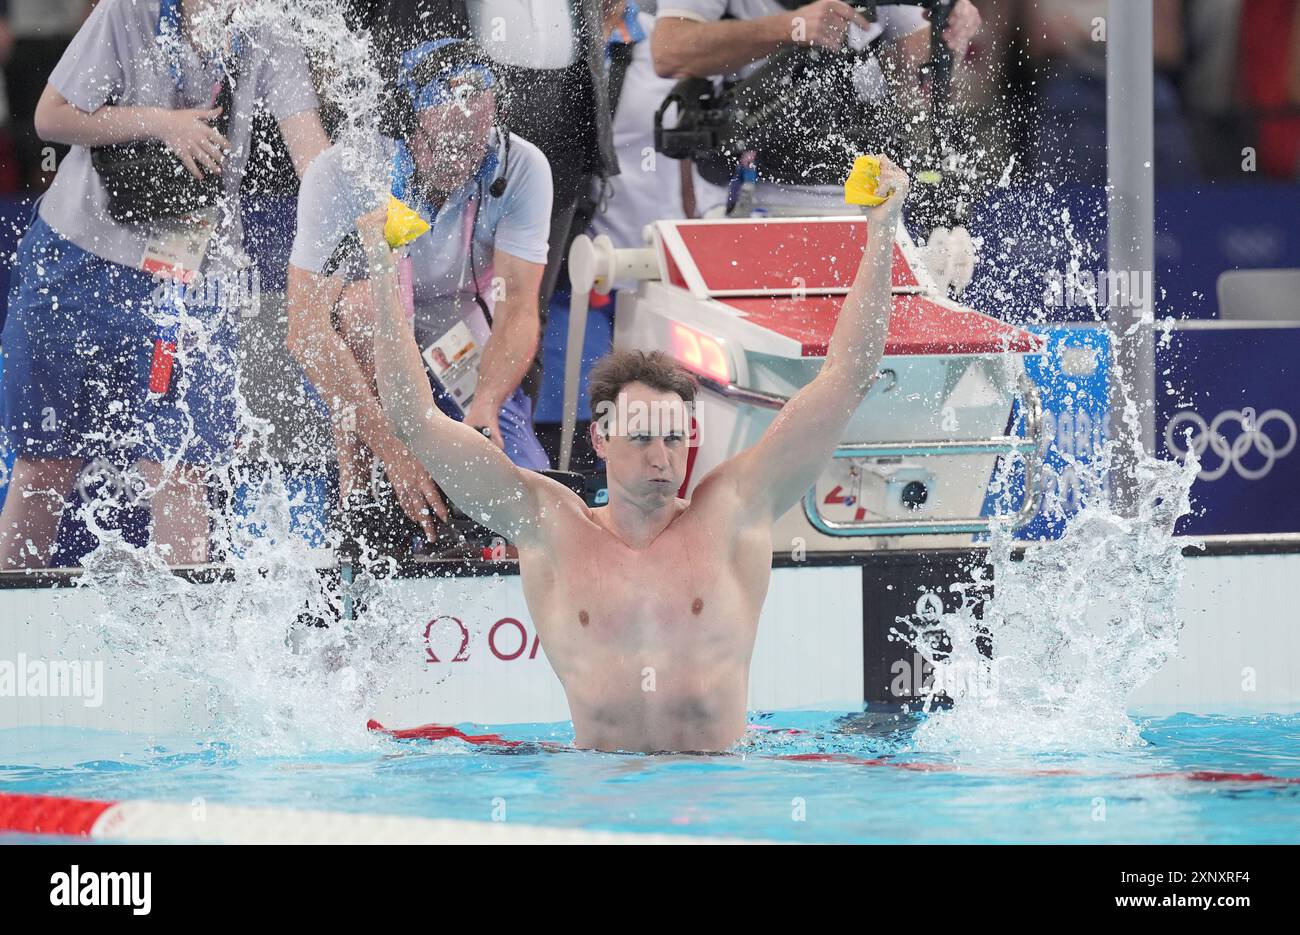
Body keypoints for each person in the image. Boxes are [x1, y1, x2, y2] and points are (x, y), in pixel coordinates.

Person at [369, 149, 907, 753]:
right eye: (643, 435)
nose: (663, 456)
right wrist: (385, 269)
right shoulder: (548, 524)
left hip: (720, 791)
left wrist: (882, 233)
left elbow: (847, 377)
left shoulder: (734, 511)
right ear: (599, 438)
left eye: (675, 436)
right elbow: (413, 420)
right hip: (597, 798)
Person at [0, 0, 328, 569]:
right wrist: (163, 122)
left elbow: (311, 153)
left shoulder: (270, 27)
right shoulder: (130, 9)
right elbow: (50, 118)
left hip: (190, 273)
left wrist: (358, 211)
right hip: (77, 260)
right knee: (44, 468)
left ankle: (186, 641)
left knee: (181, 471)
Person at [286, 37, 553, 545]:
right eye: (444, 142)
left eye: (473, 146)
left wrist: (486, 408)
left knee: (519, 473)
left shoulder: (519, 166)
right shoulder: (346, 172)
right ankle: (358, 509)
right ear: (409, 124)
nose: (458, 161)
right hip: (372, 326)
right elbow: (306, 332)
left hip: (456, 320)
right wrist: (392, 448)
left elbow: (517, 306)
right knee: (364, 313)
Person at [650, 0, 980, 213]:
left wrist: (948, 26)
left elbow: (908, 74)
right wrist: (790, 28)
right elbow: (668, 50)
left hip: (862, 191)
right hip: (749, 192)